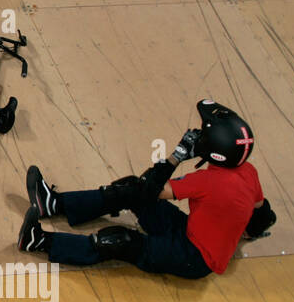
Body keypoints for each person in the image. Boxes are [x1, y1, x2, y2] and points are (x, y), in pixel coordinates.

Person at [18, 99, 276, 279]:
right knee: (130, 188)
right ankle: (53, 203)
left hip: (192, 258)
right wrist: (243, 235)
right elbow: (263, 215)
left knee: (118, 241)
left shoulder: (207, 182)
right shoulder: (248, 172)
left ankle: (40, 241)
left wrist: (177, 156)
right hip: (188, 231)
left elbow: (148, 190)